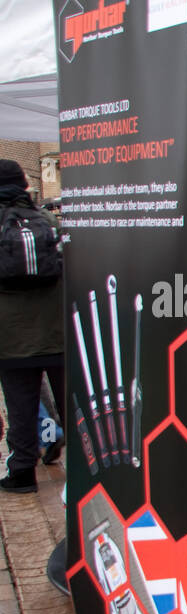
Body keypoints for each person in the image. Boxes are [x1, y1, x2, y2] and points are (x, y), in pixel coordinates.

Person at [0, 159, 66, 493]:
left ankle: (22, 472)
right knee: (72, 404)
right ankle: (89, 469)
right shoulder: (47, 219)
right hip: (56, 332)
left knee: (21, 408)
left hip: (10, 339)